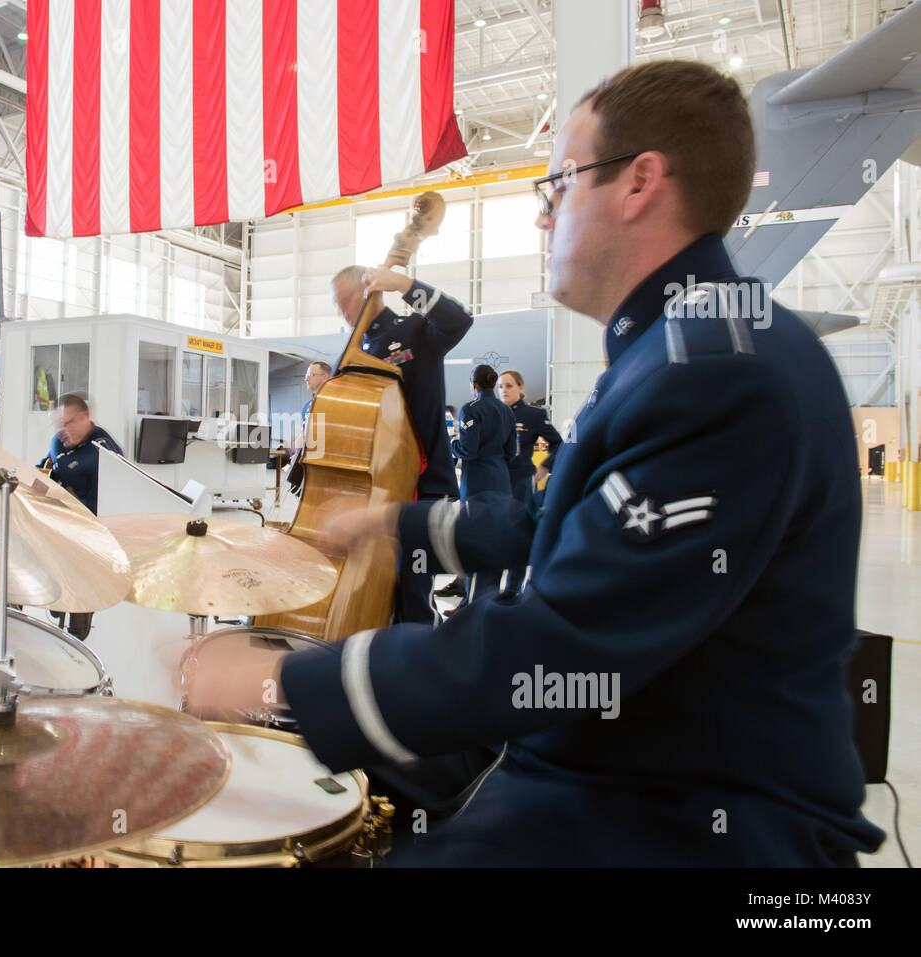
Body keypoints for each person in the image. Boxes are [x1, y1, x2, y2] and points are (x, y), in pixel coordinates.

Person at [188, 60, 885, 866]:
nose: (542, 218)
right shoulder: (677, 347)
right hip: (615, 753)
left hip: (690, 812)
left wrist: (286, 683)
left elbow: (564, 641)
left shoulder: (719, 371)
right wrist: (395, 520)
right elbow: (546, 525)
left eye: (555, 187)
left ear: (639, 183)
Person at [330, 264, 472, 625]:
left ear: (367, 292)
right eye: (338, 305)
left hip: (421, 488)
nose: (342, 312)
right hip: (372, 492)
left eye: (345, 300)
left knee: (412, 590)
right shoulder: (353, 352)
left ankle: (413, 668)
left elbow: (458, 321)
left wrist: (405, 285)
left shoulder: (413, 331)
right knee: (379, 590)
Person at [38, 394, 122, 640]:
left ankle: (77, 622)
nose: (62, 431)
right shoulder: (61, 442)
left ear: (84, 417)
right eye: (59, 425)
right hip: (59, 524)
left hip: (90, 533)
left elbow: (103, 505)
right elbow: (45, 468)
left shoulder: (104, 452)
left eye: (68, 423)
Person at [438, 364, 514, 603]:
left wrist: (450, 444)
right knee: (495, 544)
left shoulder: (471, 410)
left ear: (474, 385)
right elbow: (511, 451)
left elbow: (467, 450)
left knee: (474, 544)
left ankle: (471, 606)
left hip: (478, 483)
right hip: (502, 481)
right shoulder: (507, 411)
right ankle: (489, 599)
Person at [495, 369, 565, 595]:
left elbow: (559, 443)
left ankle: (513, 590)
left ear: (521, 388)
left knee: (517, 535)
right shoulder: (493, 412)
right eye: (500, 387)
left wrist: (545, 466)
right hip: (494, 481)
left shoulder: (533, 415)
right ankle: (483, 590)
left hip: (519, 482)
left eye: (509, 386)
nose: (504, 390)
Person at [286, 361, 331, 494]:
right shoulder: (308, 405)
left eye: (310, 374)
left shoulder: (332, 404)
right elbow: (305, 432)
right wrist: (297, 452)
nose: (306, 378)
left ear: (324, 377)